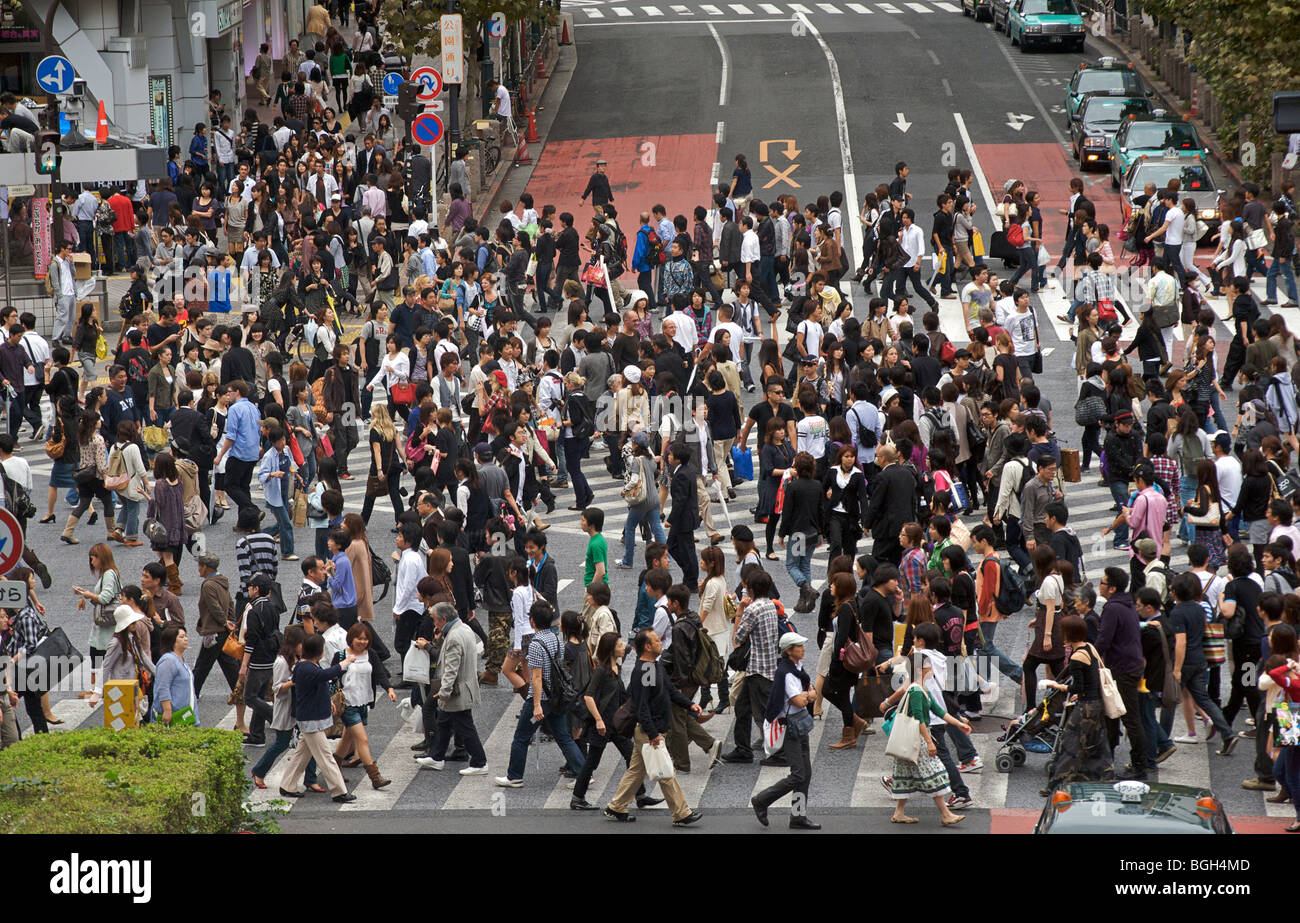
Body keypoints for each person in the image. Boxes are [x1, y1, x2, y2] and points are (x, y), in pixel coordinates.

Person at [603, 628, 704, 826]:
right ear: (647, 647)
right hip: (651, 731)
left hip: (652, 729)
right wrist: (652, 733)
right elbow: (643, 705)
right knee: (666, 772)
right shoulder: (646, 670)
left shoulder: (654, 666)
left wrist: (689, 704)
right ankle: (681, 813)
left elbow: (670, 690)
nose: (661, 642)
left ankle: (616, 806)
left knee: (636, 771)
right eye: (657, 640)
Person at [880, 623, 971, 826]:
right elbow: (921, 719)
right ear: (922, 669)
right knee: (934, 774)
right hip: (918, 739)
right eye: (927, 668)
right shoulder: (917, 690)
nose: (931, 670)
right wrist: (930, 742)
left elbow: (937, 711)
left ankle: (899, 812)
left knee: (904, 773)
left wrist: (959, 723)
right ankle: (946, 812)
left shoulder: (920, 688)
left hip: (913, 738)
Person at [494, 601, 586, 788]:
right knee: (563, 737)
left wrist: (536, 705)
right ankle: (583, 773)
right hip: (556, 698)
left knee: (521, 737)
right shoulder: (556, 640)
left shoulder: (536, 644)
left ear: (532, 621)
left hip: (541, 700)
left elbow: (536, 678)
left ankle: (514, 776)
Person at [749, 631, 821, 829]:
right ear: (789, 651)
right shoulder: (787, 673)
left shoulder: (797, 668)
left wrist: (807, 694)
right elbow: (799, 699)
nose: (803, 648)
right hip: (789, 727)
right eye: (799, 646)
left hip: (800, 724)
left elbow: (811, 692)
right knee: (799, 774)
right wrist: (809, 695)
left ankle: (798, 816)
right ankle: (762, 800)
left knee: (806, 772)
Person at [278, 632, 357, 803]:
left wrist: (328, 700)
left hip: (310, 717)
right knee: (326, 757)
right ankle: (339, 791)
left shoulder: (307, 665)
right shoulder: (307, 667)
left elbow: (316, 685)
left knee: (302, 755)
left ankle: (287, 785)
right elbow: (323, 676)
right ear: (319, 652)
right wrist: (344, 663)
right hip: (311, 719)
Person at [1041, 615, 1116, 794]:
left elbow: (1077, 686)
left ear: (1068, 634)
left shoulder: (1076, 657)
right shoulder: (1089, 647)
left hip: (1085, 707)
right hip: (1096, 704)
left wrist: (1056, 685)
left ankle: (1056, 785)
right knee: (1098, 743)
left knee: (1069, 743)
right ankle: (1106, 779)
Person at [1095, 567, 1151, 779]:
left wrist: (1088, 656)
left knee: (1129, 717)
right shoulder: (1125, 604)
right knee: (1111, 713)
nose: (1099, 585)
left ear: (1112, 588)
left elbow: (1103, 640)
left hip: (1122, 668)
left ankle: (1140, 766)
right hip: (1128, 665)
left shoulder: (1113, 608)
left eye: (1102, 582)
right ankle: (1107, 759)